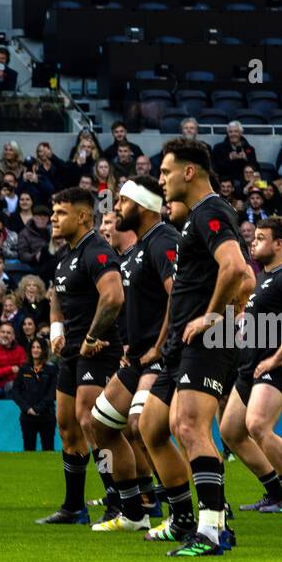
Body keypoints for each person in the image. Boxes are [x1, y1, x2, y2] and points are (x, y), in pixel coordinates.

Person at [140, 139, 254, 556]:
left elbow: (238, 269)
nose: (162, 180)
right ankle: (187, 518)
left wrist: (212, 315)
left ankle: (212, 529)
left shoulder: (210, 211)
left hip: (207, 339)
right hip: (181, 344)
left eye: (166, 172)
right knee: (152, 427)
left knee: (189, 427)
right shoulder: (194, 219)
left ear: (189, 172)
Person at [81, 178, 176, 532]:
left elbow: (176, 295)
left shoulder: (164, 239)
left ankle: (180, 514)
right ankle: (134, 512)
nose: (115, 207)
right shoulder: (137, 250)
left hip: (159, 357)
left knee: (142, 426)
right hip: (136, 358)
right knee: (99, 424)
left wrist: (160, 345)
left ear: (144, 205)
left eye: (122, 201)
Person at [35, 187, 125, 525]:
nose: (53, 219)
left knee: (93, 425)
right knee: (68, 426)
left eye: (60, 213)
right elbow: (56, 298)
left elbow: (113, 296)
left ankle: (118, 499)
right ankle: (74, 506)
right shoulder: (65, 257)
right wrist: (56, 330)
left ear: (83, 216)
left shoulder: (97, 250)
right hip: (72, 352)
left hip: (98, 351)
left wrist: (92, 336)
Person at [219, 215, 282, 514]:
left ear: (280, 243)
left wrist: (276, 358)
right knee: (231, 432)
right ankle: (275, 492)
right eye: (254, 237)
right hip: (251, 366)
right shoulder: (264, 277)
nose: (253, 242)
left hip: (278, 365)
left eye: (260, 238)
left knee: (258, 425)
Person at [15, 337, 58, 450]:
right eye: (33, 347)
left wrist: (38, 409)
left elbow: (52, 393)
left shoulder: (52, 370)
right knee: (28, 450)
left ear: (44, 350)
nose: (35, 350)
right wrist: (28, 409)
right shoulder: (24, 369)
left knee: (48, 450)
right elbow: (15, 392)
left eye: (38, 347)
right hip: (27, 416)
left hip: (47, 416)